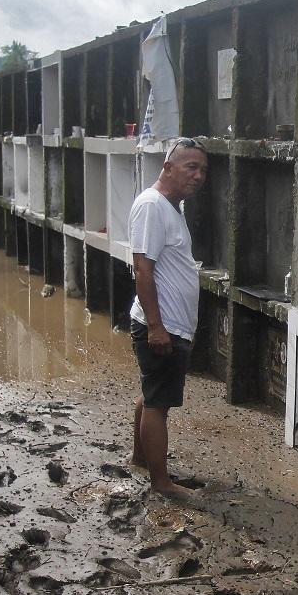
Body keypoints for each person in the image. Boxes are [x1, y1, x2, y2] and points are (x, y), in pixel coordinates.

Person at [128, 137, 208, 499]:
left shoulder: (172, 208)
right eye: (191, 167)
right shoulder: (152, 206)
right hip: (162, 326)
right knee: (159, 404)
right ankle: (161, 483)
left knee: (151, 394)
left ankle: (142, 458)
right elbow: (142, 270)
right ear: (167, 168)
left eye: (203, 170)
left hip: (170, 324)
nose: (198, 175)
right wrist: (157, 327)